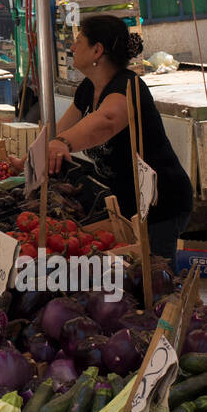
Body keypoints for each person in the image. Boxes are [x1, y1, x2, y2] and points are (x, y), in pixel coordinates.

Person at [40, 15, 193, 262]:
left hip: (160, 203)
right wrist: (30, 158)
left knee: (152, 279)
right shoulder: (88, 88)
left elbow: (107, 122)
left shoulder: (129, 86)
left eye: (78, 41)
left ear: (97, 51)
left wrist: (63, 144)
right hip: (125, 205)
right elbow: (60, 130)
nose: (72, 47)